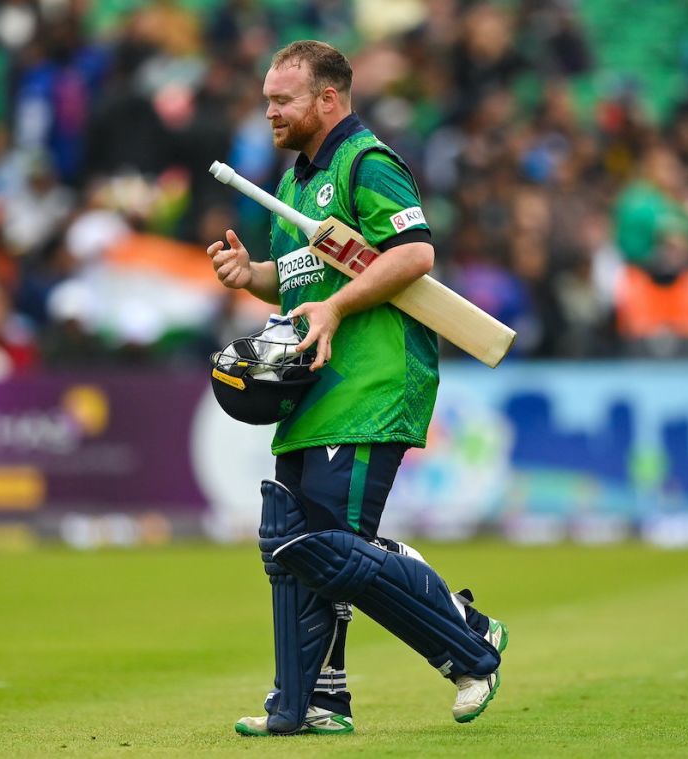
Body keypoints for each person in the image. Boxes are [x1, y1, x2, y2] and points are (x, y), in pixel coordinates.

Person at [206, 40, 507, 736]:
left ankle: (468, 642)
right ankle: (317, 699)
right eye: (266, 100)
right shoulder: (293, 182)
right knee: (295, 544)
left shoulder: (367, 164)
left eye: (282, 100)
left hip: (373, 380)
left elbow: (414, 254)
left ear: (328, 99)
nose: (269, 112)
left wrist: (338, 309)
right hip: (311, 386)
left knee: (331, 545)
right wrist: (251, 276)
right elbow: (303, 280)